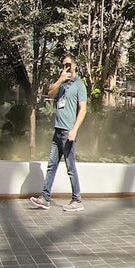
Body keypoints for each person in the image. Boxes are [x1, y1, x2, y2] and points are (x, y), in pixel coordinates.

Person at [29, 54, 88, 211]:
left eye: (68, 64)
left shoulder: (79, 85)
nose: (66, 68)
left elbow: (83, 109)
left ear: (74, 65)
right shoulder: (62, 84)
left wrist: (74, 130)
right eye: (63, 65)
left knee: (70, 167)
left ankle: (77, 200)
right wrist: (60, 80)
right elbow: (49, 94)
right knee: (51, 165)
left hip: (68, 132)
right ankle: (45, 198)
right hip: (58, 130)